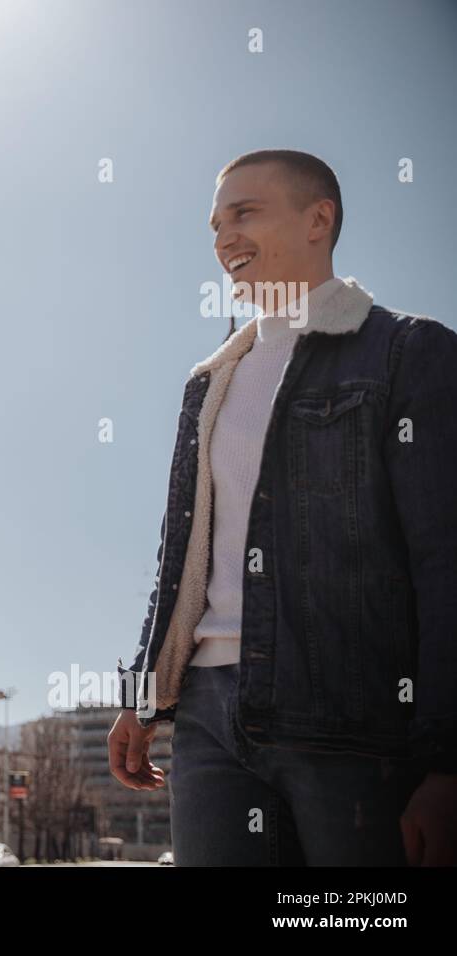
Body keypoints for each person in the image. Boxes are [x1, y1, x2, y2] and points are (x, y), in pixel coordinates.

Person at [108, 149, 457, 866]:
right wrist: (141, 701)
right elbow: (178, 564)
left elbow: (445, 565)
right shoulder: (208, 382)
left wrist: (448, 764)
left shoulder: (408, 352)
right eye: (214, 224)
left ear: (318, 220)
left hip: (352, 718)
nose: (223, 238)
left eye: (244, 213)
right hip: (206, 720)